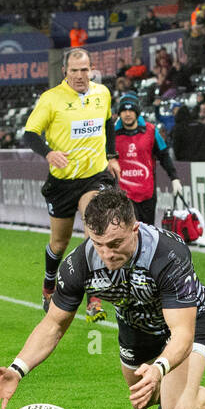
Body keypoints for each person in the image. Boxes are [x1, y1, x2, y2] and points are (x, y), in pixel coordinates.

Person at [0, 188, 205, 409]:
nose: (108, 254)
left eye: (116, 243)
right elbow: (53, 325)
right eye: (99, 244)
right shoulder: (79, 264)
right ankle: (168, 398)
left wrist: (159, 368)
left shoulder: (167, 254)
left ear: (135, 228)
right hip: (135, 323)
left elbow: (182, 333)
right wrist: (17, 369)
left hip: (187, 318)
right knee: (141, 398)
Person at [23, 48, 120, 322]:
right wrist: (48, 153)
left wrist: (111, 157)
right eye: (75, 70)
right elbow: (30, 133)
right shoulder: (51, 99)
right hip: (63, 182)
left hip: (95, 176)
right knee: (59, 243)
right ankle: (48, 286)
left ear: (92, 69)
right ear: (65, 71)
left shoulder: (102, 93)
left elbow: (108, 124)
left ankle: (95, 299)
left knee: (96, 231)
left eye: (85, 70)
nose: (80, 75)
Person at [112, 93, 182, 225]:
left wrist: (174, 178)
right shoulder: (112, 135)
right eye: (124, 111)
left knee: (147, 233)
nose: (127, 114)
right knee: (130, 231)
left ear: (137, 112)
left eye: (131, 110)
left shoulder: (151, 131)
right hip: (123, 195)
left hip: (147, 193)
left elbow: (164, 155)